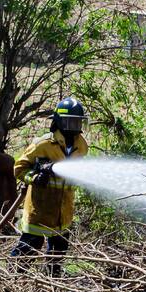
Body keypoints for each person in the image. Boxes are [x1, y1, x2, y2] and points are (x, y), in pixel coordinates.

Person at [11, 97, 88, 275]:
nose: (74, 126)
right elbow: (19, 168)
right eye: (70, 121)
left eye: (77, 122)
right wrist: (35, 177)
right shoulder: (43, 144)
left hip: (64, 209)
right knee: (30, 246)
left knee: (59, 249)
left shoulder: (81, 145)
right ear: (59, 121)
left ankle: (52, 282)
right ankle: (12, 278)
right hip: (41, 208)